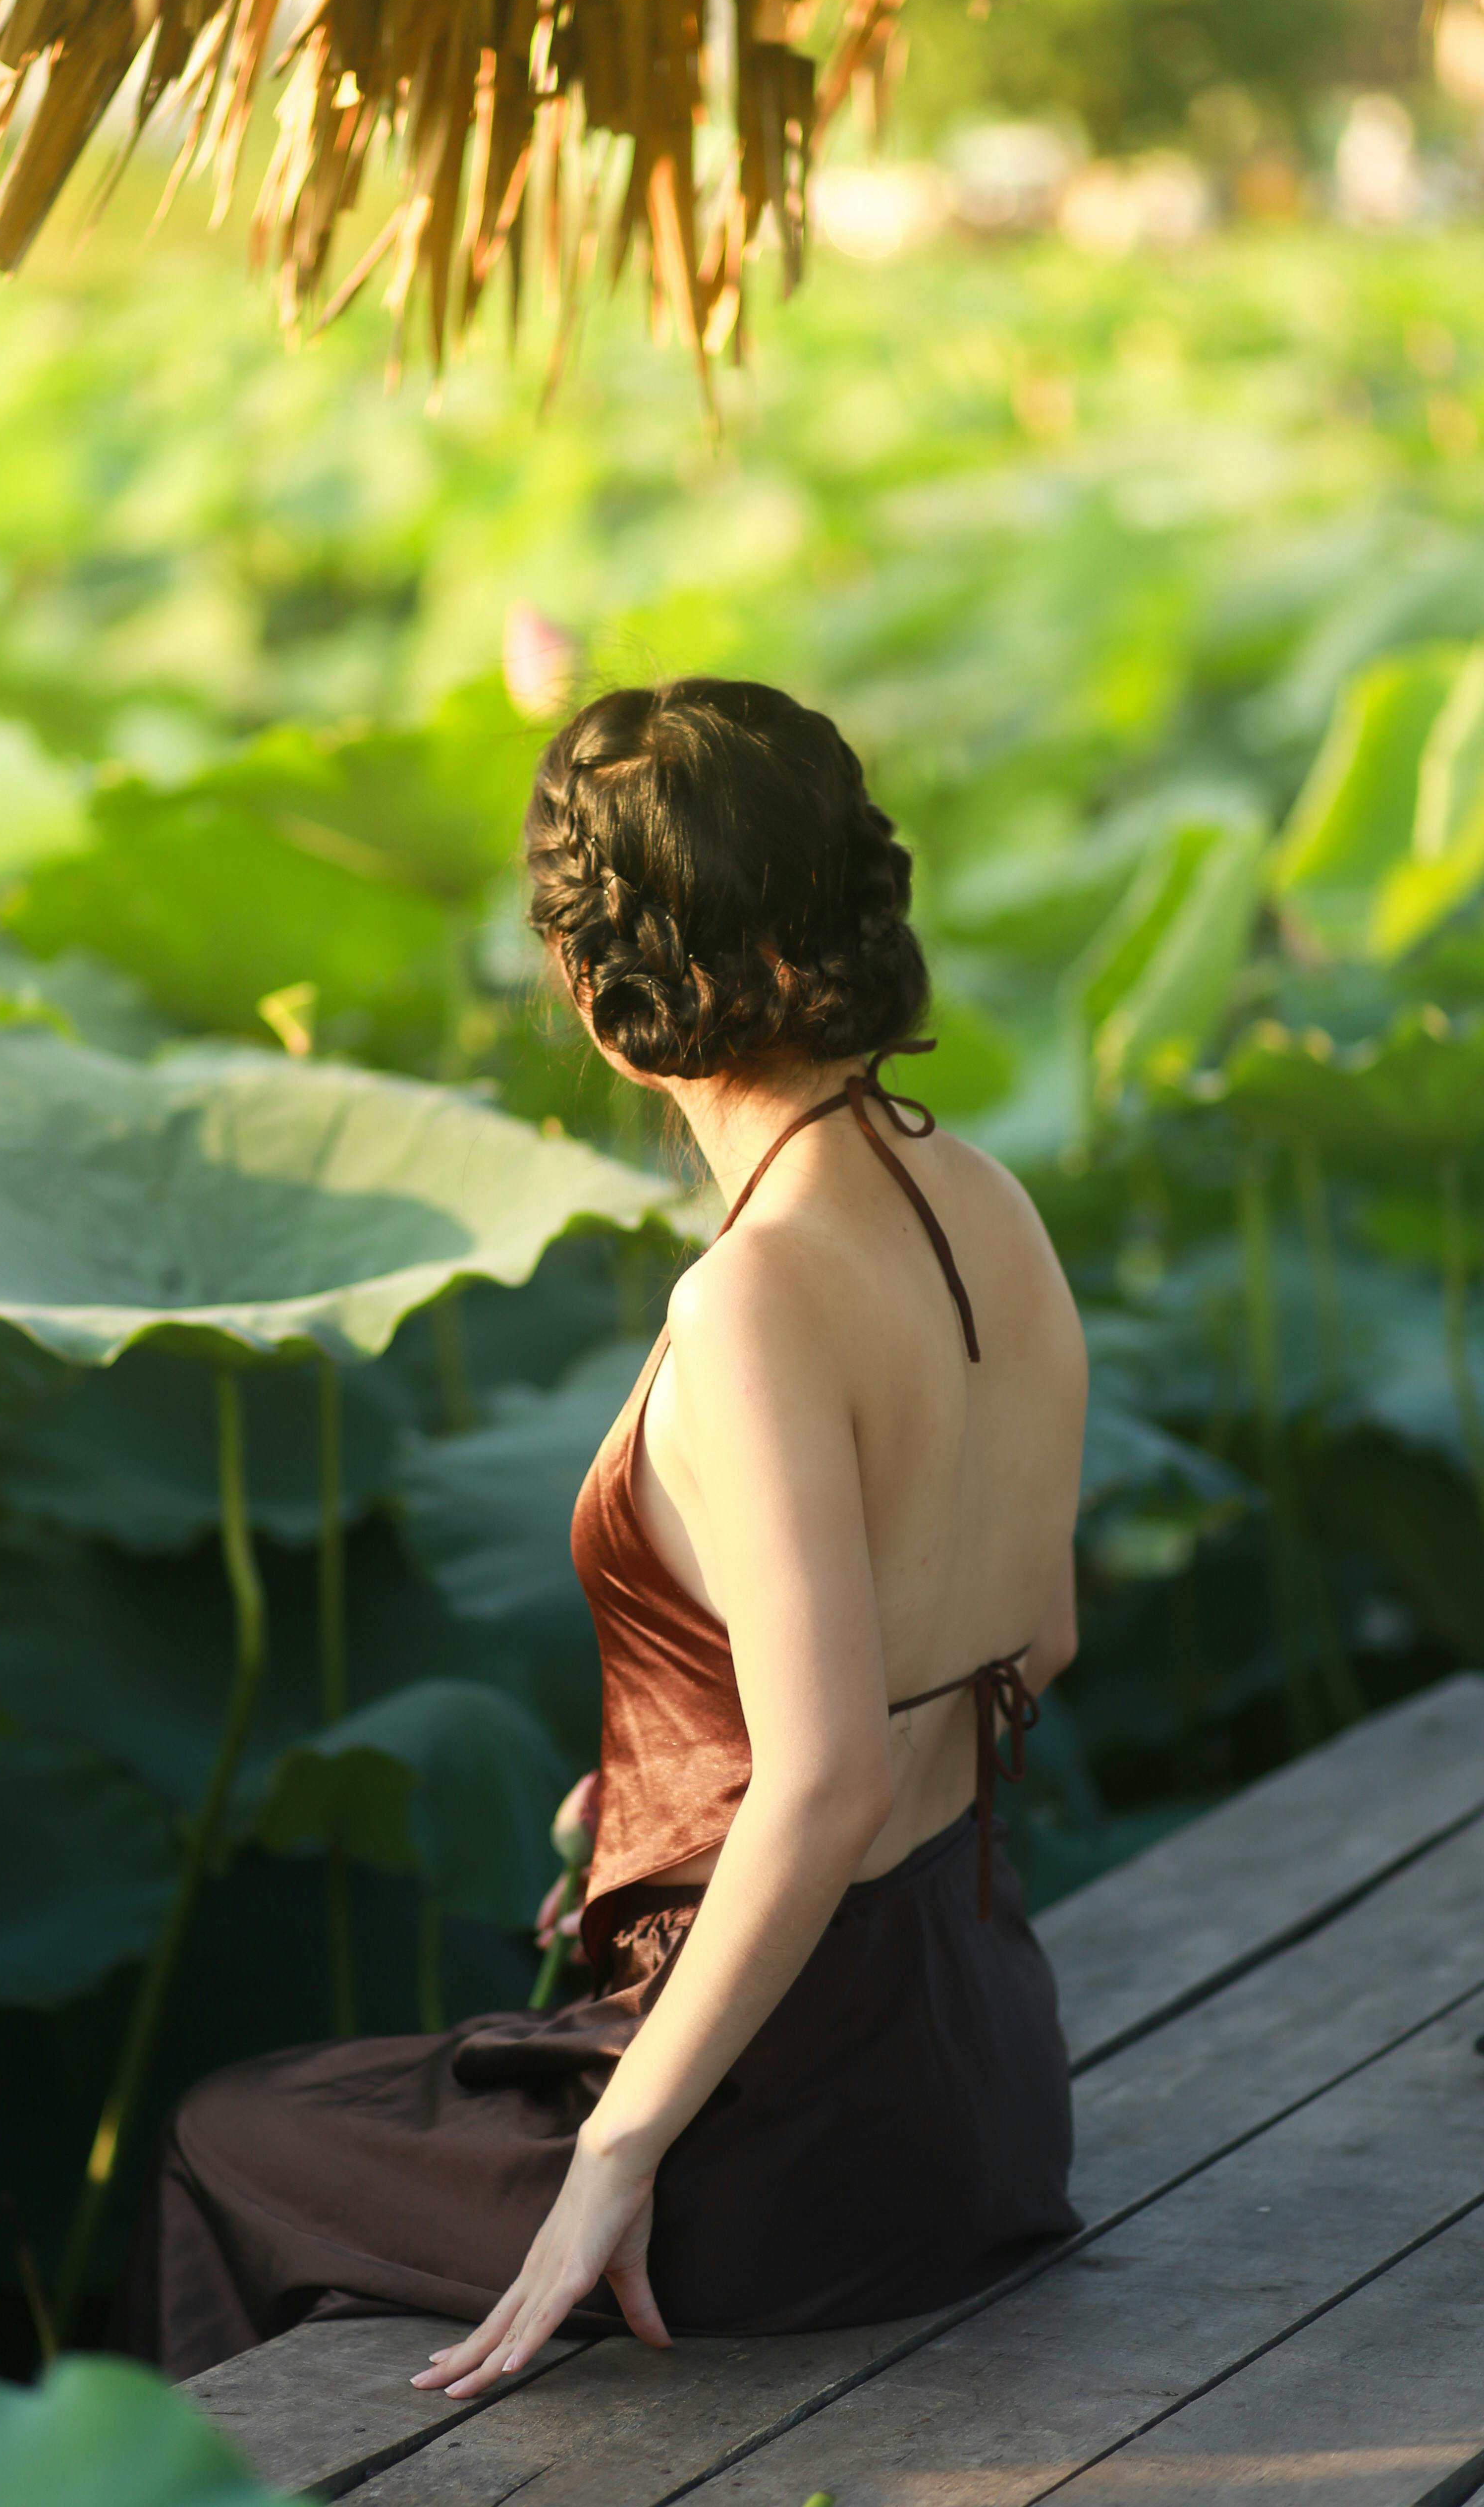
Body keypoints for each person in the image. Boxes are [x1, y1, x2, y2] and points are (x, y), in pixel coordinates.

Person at [122, 677, 1086, 2389]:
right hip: (988, 2080)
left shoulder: (754, 1300)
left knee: (223, 2132)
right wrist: (652, 1799)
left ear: (600, 986)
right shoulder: (984, 1200)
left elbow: (825, 1783)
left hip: (790, 2148)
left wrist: (617, 2156)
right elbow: (1034, 1642)